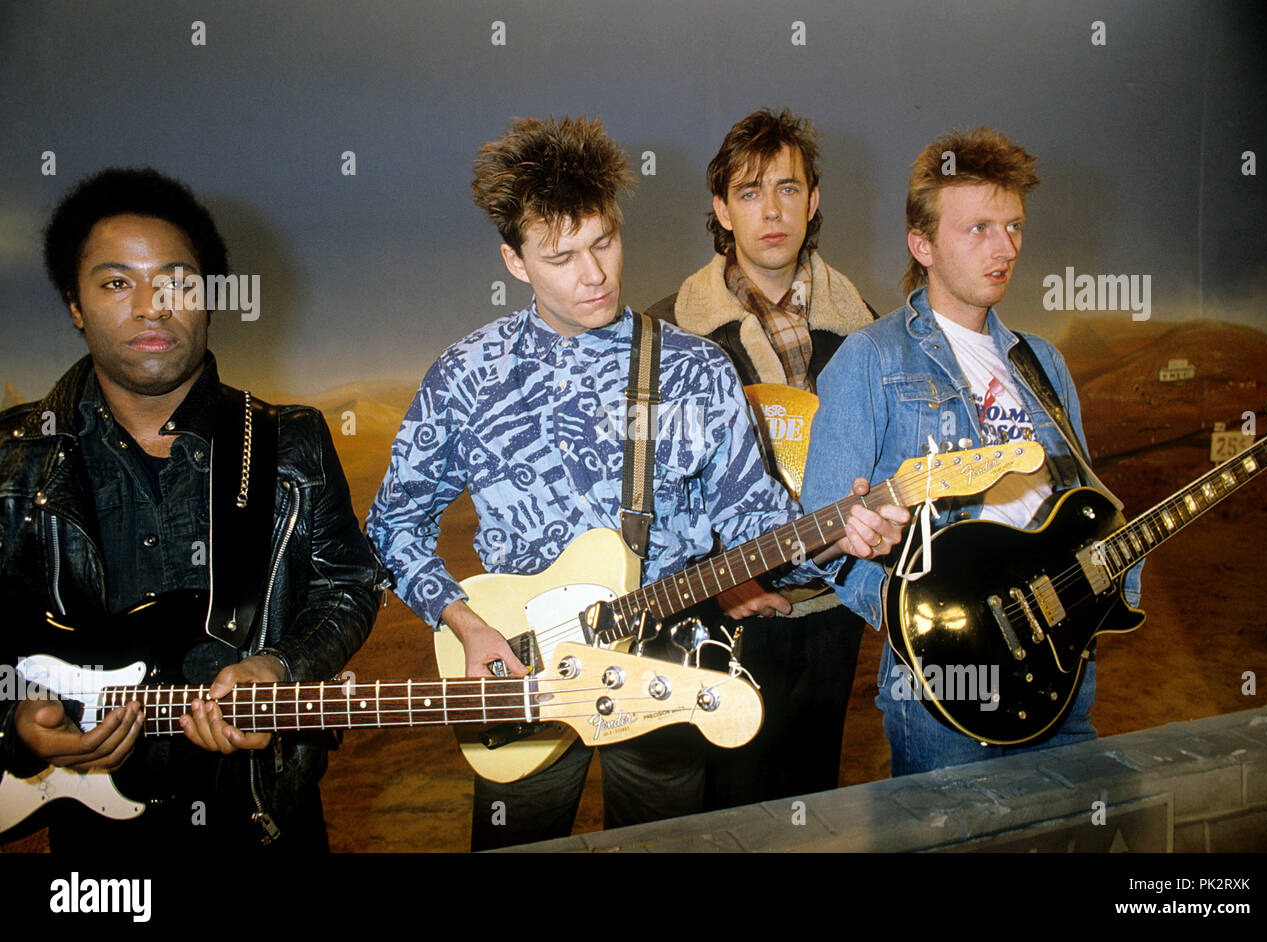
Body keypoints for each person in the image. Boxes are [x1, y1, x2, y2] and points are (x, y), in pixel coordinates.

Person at [366, 115, 904, 849]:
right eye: (561, 257)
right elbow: (392, 525)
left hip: (664, 676)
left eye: (604, 243)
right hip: (520, 675)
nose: (593, 275)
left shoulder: (692, 369)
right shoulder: (466, 375)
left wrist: (844, 535)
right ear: (515, 262)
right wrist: (465, 623)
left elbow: (758, 525)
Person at [0, 168, 385, 850]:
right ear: (75, 304)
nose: (152, 307)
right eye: (117, 283)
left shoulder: (287, 441)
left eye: (177, 281)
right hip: (90, 836)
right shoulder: (12, 457)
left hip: (263, 814)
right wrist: (16, 720)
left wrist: (280, 668)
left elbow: (346, 585)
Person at [801, 127, 1141, 776]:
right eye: (979, 228)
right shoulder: (871, 358)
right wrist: (926, 628)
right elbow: (824, 534)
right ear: (921, 243)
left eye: (1013, 227)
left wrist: (1099, 585)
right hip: (946, 696)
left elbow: (1087, 511)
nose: (1004, 247)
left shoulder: (1042, 363)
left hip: (1063, 673)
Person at [645, 108, 879, 807]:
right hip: (718, 618)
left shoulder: (867, 324)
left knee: (816, 802)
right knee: (725, 816)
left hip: (833, 608)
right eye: (749, 192)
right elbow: (649, 494)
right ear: (721, 208)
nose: (771, 210)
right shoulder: (666, 330)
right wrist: (717, 577)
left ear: (813, 202)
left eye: (787, 188)